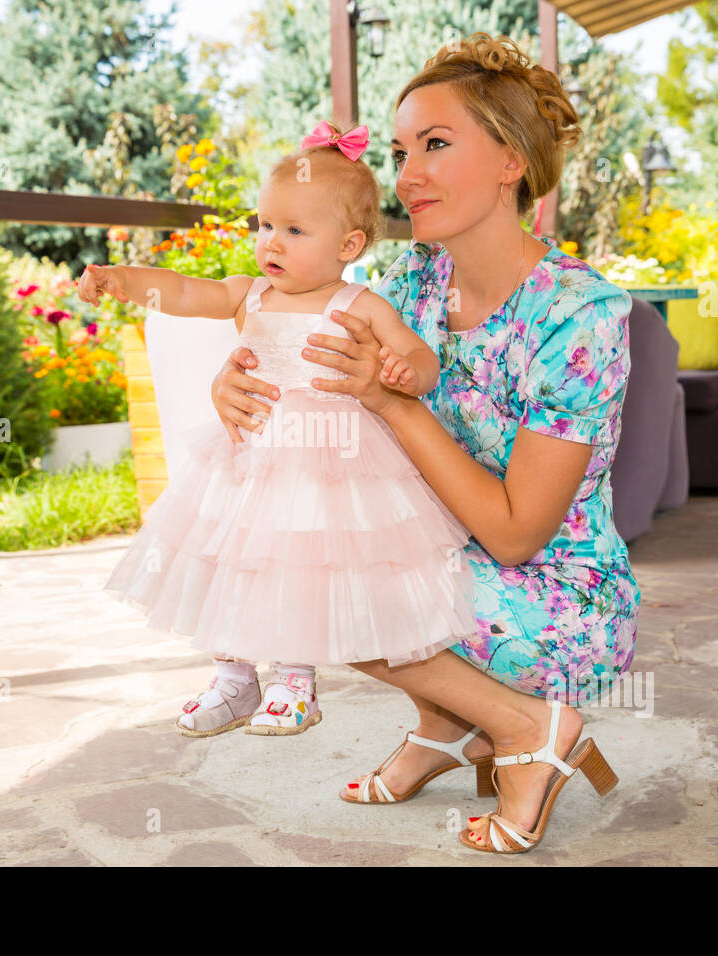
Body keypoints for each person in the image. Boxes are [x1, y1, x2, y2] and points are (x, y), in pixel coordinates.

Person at [209, 33, 639, 853]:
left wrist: (391, 401)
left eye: (437, 145)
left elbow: (516, 534)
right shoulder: (408, 285)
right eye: (402, 149)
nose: (406, 175)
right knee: (292, 543)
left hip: (557, 596)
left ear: (511, 160)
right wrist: (235, 386)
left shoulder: (581, 316)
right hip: (446, 554)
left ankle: (524, 726)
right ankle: (445, 722)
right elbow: (295, 359)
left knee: (329, 582)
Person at [81, 120, 479, 739]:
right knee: (229, 562)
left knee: (299, 563)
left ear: (348, 246)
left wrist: (405, 368)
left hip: (324, 464)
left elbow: (421, 359)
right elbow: (184, 291)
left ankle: (296, 679)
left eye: (294, 230)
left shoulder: (359, 305)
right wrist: (123, 281)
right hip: (249, 458)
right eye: (266, 225)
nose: (272, 242)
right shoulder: (251, 296)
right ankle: (234, 679)